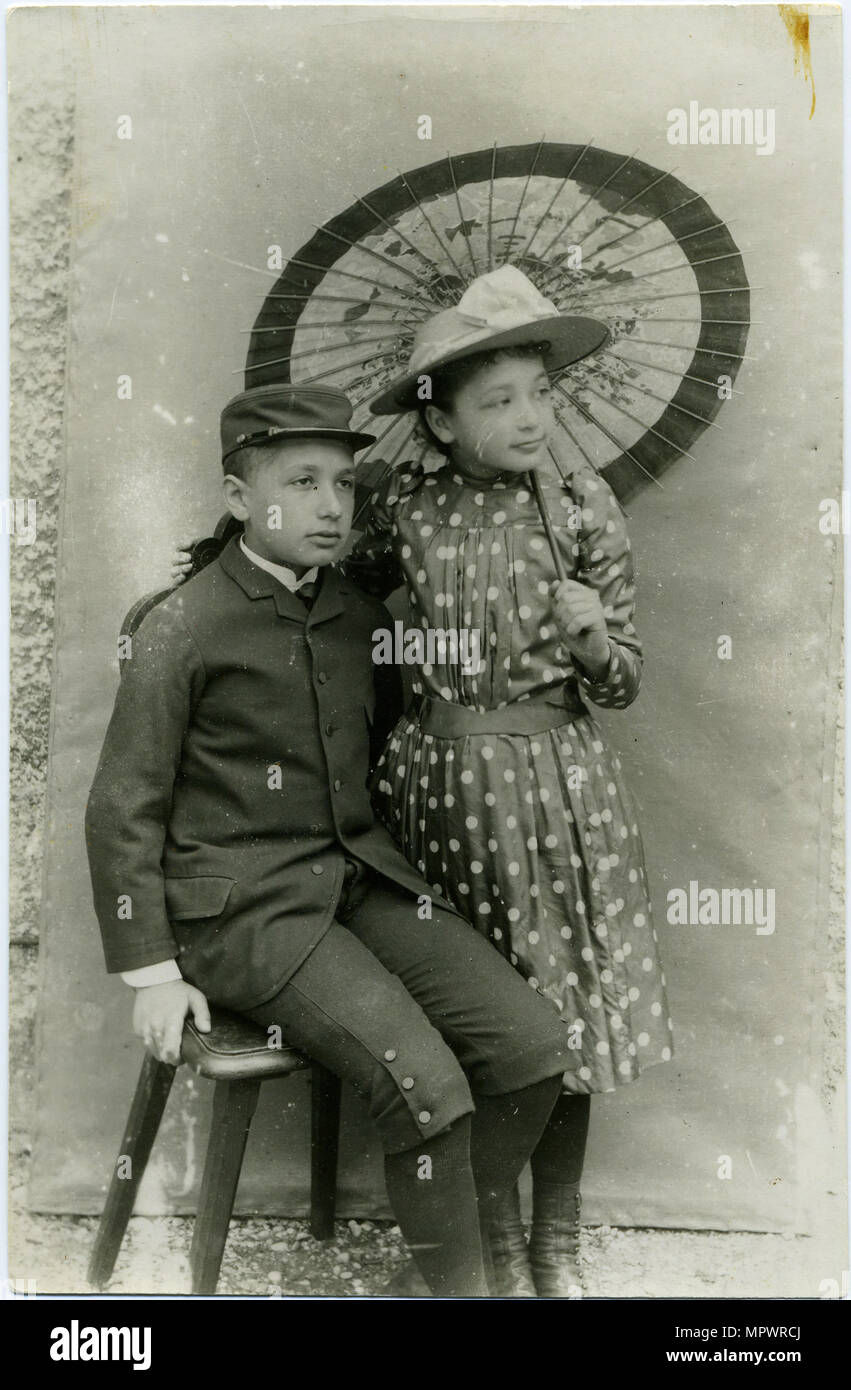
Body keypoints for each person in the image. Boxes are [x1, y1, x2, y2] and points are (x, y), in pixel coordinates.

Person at [85, 382, 574, 1300]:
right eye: (300, 483)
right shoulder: (180, 625)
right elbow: (122, 805)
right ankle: (460, 1291)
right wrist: (150, 971)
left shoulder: (357, 619)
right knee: (424, 1085)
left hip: (354, 881)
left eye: (344, 486)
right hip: (240, 915)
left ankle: (434, 1263)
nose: (328, 507)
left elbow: (375, 756)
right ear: (238, 497)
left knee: (532, 1045)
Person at [339, 264, 675, 1297]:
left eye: (539, 393)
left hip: (552, 795)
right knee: (479, 1022)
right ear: (438, 423)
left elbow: (618, 682)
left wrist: (588, 640)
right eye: (498, 401)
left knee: (562, 1016)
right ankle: (480, 1235)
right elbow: (347, 611)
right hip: (435, 798)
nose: (529, 417)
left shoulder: (577, 510)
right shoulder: (404, 511)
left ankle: (554, 1239)